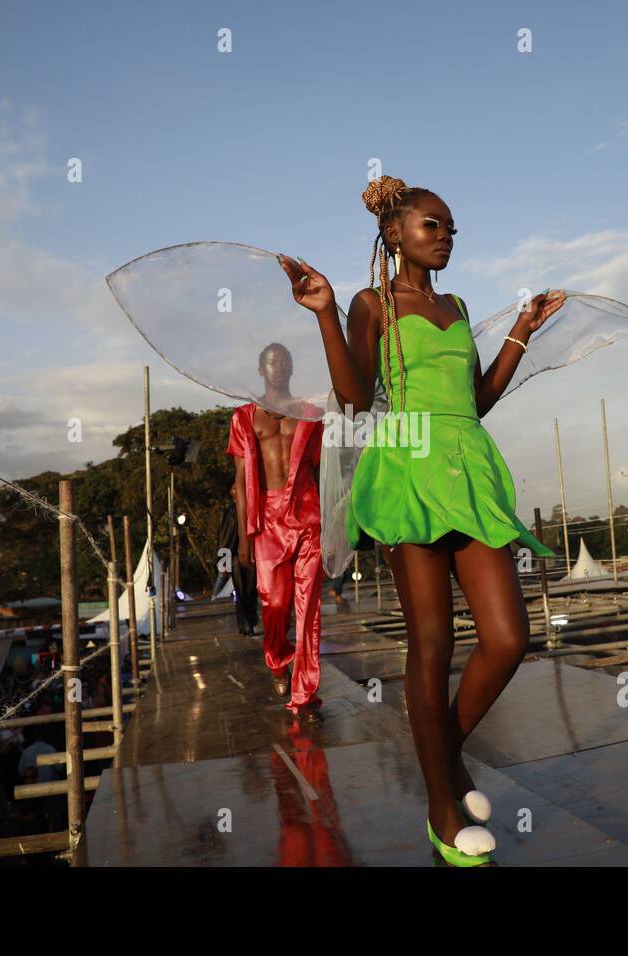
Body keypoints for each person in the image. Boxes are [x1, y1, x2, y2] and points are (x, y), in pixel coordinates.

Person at [281, 175, 566, 866]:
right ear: (394, 234)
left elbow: (478, 398)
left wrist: (522, 332)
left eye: (450, 229)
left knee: (508, 637)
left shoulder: (460, 304)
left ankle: (443, 758)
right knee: (431, 640)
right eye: (432, 226)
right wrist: (322, 311)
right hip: (407, 466)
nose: (445, 237)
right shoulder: (371, 303)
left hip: (468, 467)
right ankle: (443, 807)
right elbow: (353, 398)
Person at [226, 345, 325, 721]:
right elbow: (239, 481)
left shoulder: (310, 414)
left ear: (292, 366)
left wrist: (334, 522)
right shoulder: (244, 417)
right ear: (260, 368)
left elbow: (322, 471)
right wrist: (243, 537)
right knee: (276, 606)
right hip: (266, 520)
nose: (278, 367)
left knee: (308, 610)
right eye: (272, 362)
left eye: (284, 361)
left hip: (307, 515)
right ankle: (277, 659)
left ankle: (306, 696)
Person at [216, 483, 259, 635]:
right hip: (235, 558)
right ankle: (246, 625)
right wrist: (223, 565)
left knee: (251, 590)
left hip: (253, 556)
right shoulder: (230, 512)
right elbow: (225, 539)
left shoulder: (251, 508)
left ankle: (250, 620)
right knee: (241, 592)